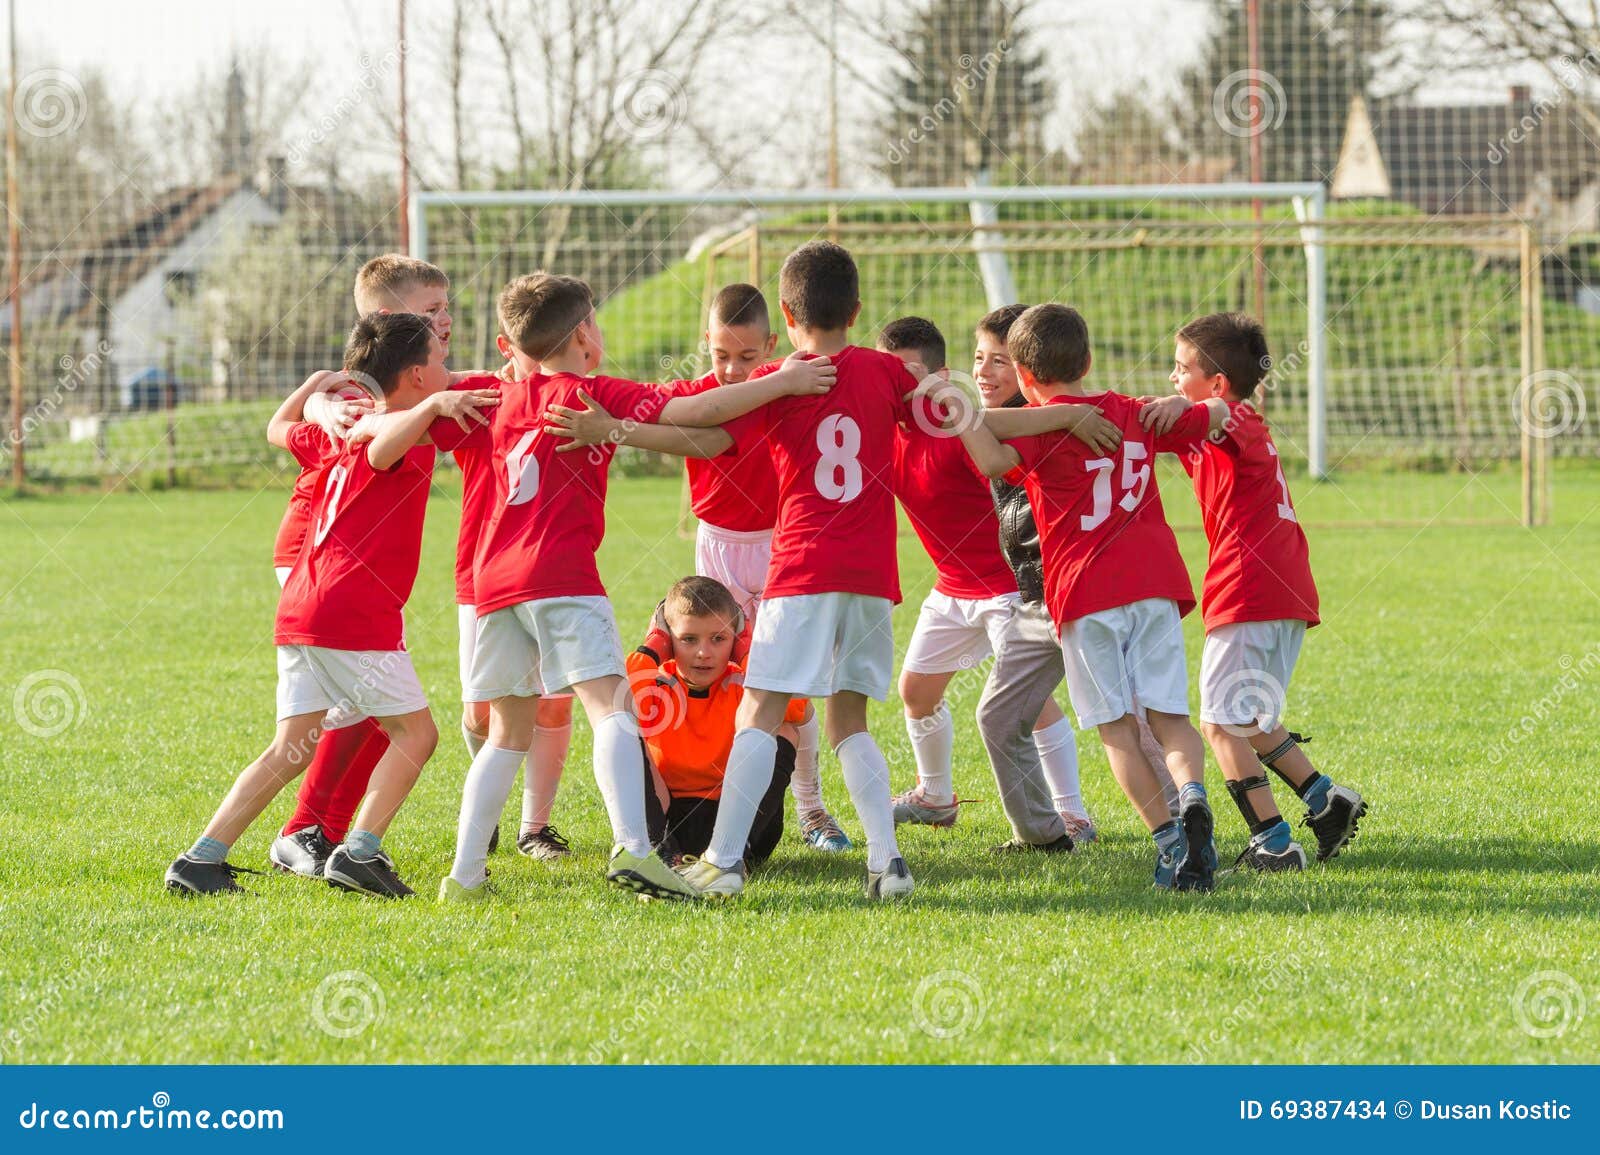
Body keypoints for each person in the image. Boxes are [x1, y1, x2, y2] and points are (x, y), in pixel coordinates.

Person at [363, 272, 836, 902]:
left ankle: (465, 873)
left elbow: (389, 430)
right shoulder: (592, 392)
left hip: (494, 586)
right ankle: (635, 850)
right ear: (585, 331)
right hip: (560, 575)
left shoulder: (497, 395)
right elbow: (697, 411)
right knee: (611, 706)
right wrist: (783, 379)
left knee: (507, 731)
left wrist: (416, 404)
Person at [163, 312, 498, 897]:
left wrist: (316, 388)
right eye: (440, 361)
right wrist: (428, 410)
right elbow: (381, 451)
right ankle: (360, 852)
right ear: (417, 375)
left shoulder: (340, 423)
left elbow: (277, 426)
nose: (447, 370)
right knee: (416, 736)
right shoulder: (388, 429)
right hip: (349, 611)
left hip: (303, 608)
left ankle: (200, 860)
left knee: (288, 749)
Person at [952, 304, 1228, 891]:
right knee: (1170, 718)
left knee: (1116, 729)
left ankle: (1170, 842)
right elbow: (1223, 413)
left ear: (1024, 376)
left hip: (1086, 593)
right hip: (1155, 586)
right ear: (1090, 360)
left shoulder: (1043, 427)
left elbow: (979, 435)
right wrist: (1186, 405)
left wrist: (1056, 418)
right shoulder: (1132, 411)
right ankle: (1194, 798)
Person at [876, 315, 1115, 847]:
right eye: (891, 375)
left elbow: (1018, 458)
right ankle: (936, 796)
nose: (900, 386)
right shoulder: (886, 431)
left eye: (912, 376)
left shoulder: (969, 427)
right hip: (952, 586)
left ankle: (1070, 812)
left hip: (1008, 588)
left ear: (939, 375)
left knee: (1028, 706)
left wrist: (1069, 417)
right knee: (915, 691)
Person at [1159, 312, 1367, 868]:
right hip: (1275, 589)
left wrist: (1196, 409)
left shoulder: (1235, 420)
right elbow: (1165, 429)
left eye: (1182, 370)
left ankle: (1273, 843)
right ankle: (1326, 798)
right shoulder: (1219, 426)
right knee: (1248, 717)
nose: (1173, 380)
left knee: (1219, 723)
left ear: (1218, 385)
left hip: (1250, 589)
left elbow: (1218, 416)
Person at [627, 576, 808, 867]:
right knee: (624, 733)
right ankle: (662, 853)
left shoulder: (741, 682)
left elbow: (798, 709)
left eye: (719, 638)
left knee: (783, 728)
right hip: (669, 820)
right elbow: (614, 707)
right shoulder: (658, 684)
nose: (703, 652)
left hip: (739, 820)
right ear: (668, 639)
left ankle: (734, 854)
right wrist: (651, 648)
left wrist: (749, 652)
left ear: (735, 640)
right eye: (688, 639)